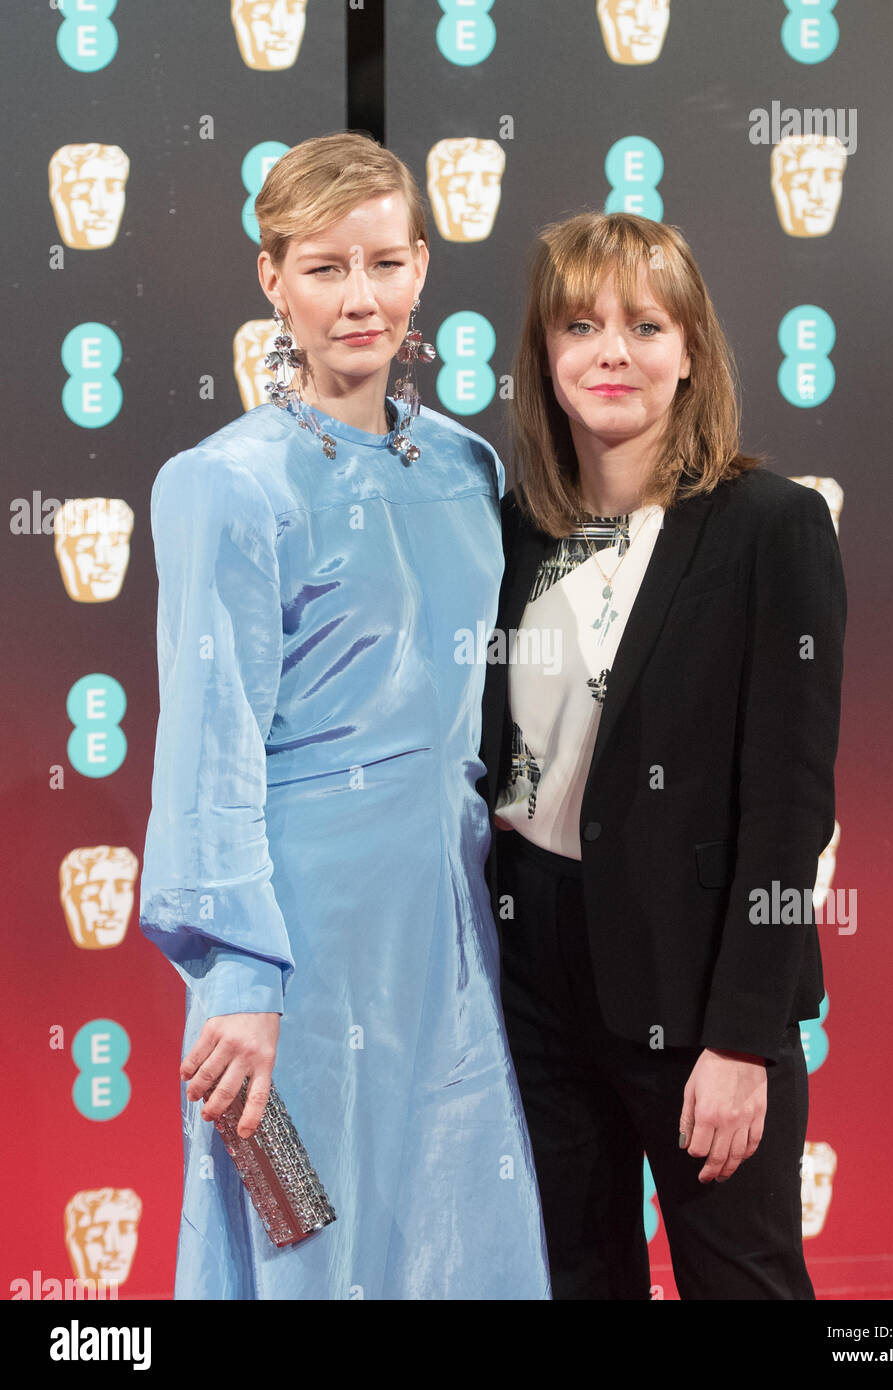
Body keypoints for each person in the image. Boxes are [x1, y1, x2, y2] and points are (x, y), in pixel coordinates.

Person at [139, 132, 550, 1300]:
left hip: (451, 931)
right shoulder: (228, 482)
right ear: (272, 280)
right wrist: (236, 977)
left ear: (421, 266)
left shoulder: (467, 467)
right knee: (304, 1239)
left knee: (459, 1230)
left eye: (381, 262)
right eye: (323, 268)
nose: (358, 297)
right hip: (297, 939)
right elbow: (208, 747)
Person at [480, 211, 847, 1299]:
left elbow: (791, 811)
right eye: (581, 325)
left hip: (701, 991)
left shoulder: (771, 528)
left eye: (646, 325)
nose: (612, 353)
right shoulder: (514, 531)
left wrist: (740, 1041)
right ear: (545, 355)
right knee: (576, 1279)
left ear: (691, 351)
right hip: (539, 978)